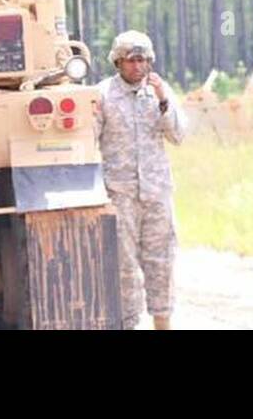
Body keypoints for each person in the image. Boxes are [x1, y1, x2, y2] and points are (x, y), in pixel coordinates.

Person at [94, 30, 185, 330]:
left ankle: (162, 323)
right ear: (118, 62)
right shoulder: (103, 94)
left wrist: (162, 101)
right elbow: (90, 140)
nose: (138, 66)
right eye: (132, 60)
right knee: (124, 267)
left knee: (161, 263)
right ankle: (127, 324)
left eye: (143, 59)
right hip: (120, 194)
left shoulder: (160, 91)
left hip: (157, 193)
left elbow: (178, 135)